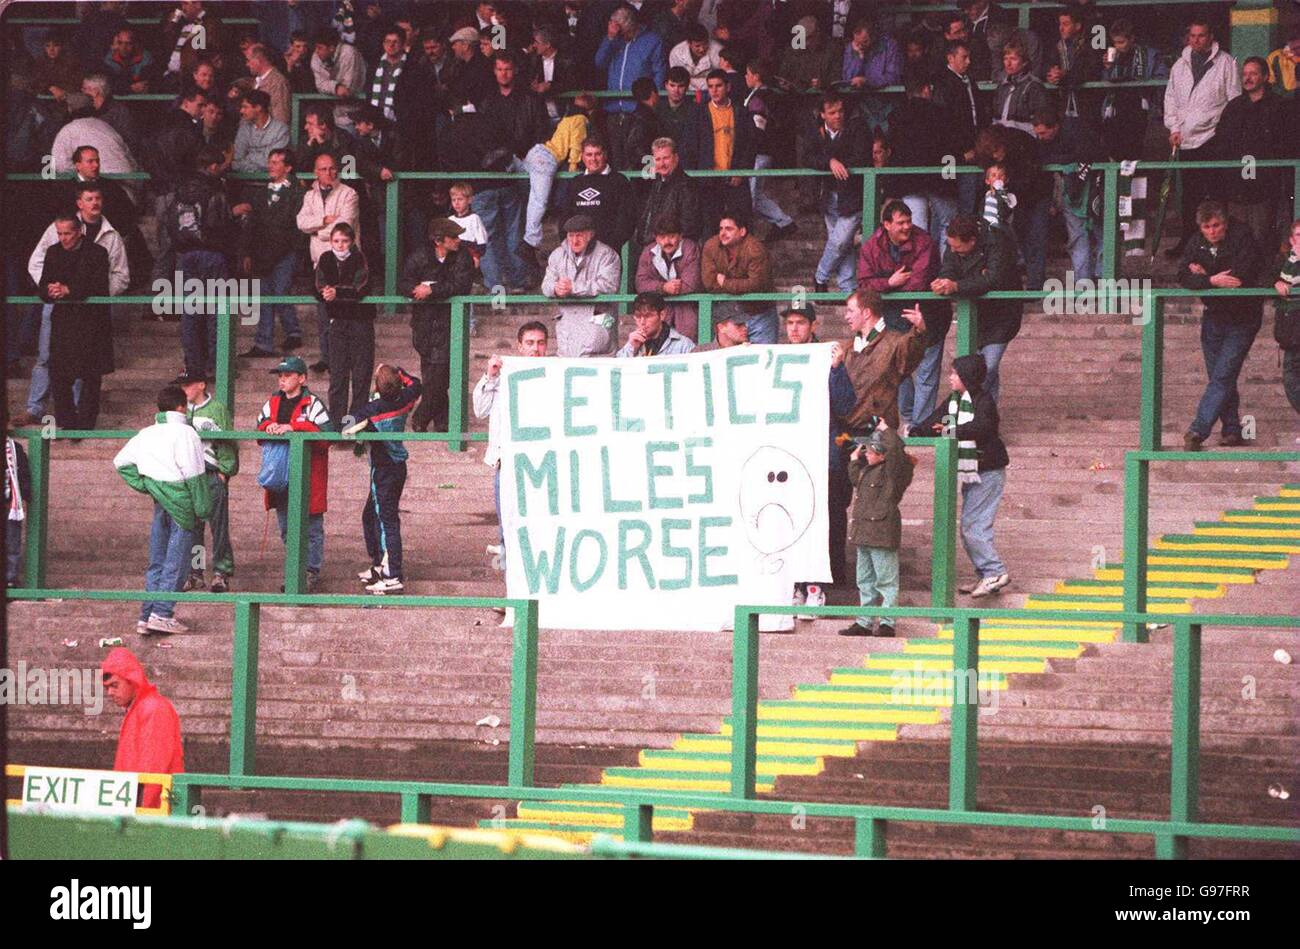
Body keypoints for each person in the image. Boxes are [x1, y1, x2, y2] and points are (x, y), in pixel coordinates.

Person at [113, 385, 213, 636]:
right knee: (176, 562)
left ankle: (146, 616)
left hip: (159, 501)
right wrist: (203, 509)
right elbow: (194, 475)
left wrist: (147, 485)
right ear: (181, 407)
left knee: (157, 562)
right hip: (183, 504)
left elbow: (121, 462)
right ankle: (163, 613)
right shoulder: (186, 433)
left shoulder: (146, 433)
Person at [918, 355, 1011, 598]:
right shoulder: (954, 401)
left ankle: (994, 572)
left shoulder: (983, 401)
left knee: (973, 526)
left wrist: (951, 430)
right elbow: (934, 422)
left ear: (967, 377)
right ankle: (984, 573)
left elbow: (983, 428)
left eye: (955, 374)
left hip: (987, 470)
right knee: (969, 526)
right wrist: (915, 430)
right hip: (972, 471)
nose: (950, 377)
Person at [475, 320, 549, 620]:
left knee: (543, 531)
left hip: (543, 467)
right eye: (530, 343)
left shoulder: (552, 374)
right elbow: (480, 410)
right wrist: (490, 375)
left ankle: (543, 595)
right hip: (508, 467)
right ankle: (513, 597)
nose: (535, 348)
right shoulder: (502, 377)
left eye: (541, 342)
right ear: (520, 346)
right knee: (509, 534)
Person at [782, 303, 856, 599]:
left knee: (828, 518)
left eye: (800, 322)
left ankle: (824, 582)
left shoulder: (828, 358)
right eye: (790, 323)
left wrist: (836, 370)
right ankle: (795, 583)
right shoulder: (778, 358)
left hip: (825, 457)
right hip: (790, 457)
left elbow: (845, 406)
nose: (795, 328)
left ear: (813, 326)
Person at [1178, 202, 1263, 450]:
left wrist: (1204, 276)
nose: (1212, 231)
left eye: (1216, 225)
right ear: (1201, 228)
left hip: (1243, 315)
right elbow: (1182, 274)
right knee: (1220, 375)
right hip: (1214, 315)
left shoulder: (1243, 237)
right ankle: (1232, 429)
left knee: (1223, 374)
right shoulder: (1196, 241)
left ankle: (1198, 429)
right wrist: (1213, 279)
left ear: (1225, 223)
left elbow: (1239, 276)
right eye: (1207, 227)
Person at [857, 201, 947, 432]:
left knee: (926, 371)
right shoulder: (871, 247)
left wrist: (885, 287)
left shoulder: (925, 242)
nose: (907, 226)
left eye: (909, 221)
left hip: (929, 316)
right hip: (894, 318)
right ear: (886, 224)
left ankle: (921, 426)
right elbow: (863, 285)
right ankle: (908, 418)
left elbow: (917, 281)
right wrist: (889, 282)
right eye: (901, 223)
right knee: (900, 369)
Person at [473, 50, 550, 294]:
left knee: (518, 226)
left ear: (515, 70)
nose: (504, 74)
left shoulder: (530, 98)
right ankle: (501, 279)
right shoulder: (487, 100)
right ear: (494, 71)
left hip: (525, 162)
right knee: (497, 228)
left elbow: (542, 133)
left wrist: (525, 155)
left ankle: (519, 278)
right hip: (497, 168)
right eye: (499, 69)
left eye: (507, 69)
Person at [1163, 16, 1240, 256]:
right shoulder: (1179, 65)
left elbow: (1234, 101)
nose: (1196, 40)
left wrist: (1223, 134)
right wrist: (1174, 128)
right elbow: (1171, 100)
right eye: (1193, 36)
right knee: (1190, 198)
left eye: (1201, 35)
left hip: (1214, 139)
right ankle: (1190, 244)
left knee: (1217, 196)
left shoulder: (1226, 63)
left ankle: (1220, 246)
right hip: (1186, 140)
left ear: (1211, 37)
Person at [256, 356, 331, 591]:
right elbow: (258, 428)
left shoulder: (314, 404)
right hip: (280, 480)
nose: (282, 380)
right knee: (287, 529)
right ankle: (295, 571)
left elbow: (326, 436)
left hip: (308, 479)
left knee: (311, 528)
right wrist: (268, 427)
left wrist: (294, 427)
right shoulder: (272, 403)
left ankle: (310, 572)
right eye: (280, 376)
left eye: (287, 376)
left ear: (302, 378)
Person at [931, 213, 1023, 404]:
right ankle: (988, 417)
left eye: (958, 248)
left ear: (972, 241)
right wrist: (943, 281)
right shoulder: (954, 248)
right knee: (985, 369)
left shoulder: (997, 242)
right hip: (975, 314)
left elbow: (994, 279)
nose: (953, 251)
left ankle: (973, 413)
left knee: (988, 367)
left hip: (1002, 315)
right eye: (951, 247)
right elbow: (949, 268)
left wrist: (957, 286)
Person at [346, 364, 421, 594]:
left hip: (383, 469)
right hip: (398, 466)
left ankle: (392, 575)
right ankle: (379, 564)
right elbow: (416, 384)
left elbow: (347, 424)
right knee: (370, 516)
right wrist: (399, 370)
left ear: (377, 386)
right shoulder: (405, 399)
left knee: (387, 520)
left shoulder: (372, 408)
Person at [36, 213, 113, 432]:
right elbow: (43, 284)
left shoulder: (97, 252)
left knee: (90, 376)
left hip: (91, 323)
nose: (63, 238)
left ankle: (87, 424)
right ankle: (66, 423)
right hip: (63, 323)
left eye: (67, 233)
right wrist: (50, 291)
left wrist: (69, 290)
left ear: (79, 231)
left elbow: (99, 285)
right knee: (59, 374)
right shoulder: (53, 252)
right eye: (59, 233)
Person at [401, 218, 475, 433]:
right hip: (424, 322)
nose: (458, 240)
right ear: (438, 241)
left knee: (440, 372)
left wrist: (432, 290)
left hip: (449, 321)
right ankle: (442, 421)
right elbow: (403, 282)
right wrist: (416, 289)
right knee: (431, 372)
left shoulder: (463, 257)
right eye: (453, 237)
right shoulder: (419, 256)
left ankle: (421, 416)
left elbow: (462, 284)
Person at [839, 425, 912, 637]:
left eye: (870, 451)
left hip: (881, 532)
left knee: (886, 581)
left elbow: (897, 451)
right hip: (864, 532)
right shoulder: (868, 470)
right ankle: (865, 621)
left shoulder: (894, 472)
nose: (866, 454)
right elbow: (856, 480)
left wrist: (887, 430)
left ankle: (887, 622)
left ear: (882, 454)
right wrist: (854, 459)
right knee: (865, 580)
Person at [1213, 58, 1286, 257]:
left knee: (1262, 235)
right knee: (1237, 236)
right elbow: (1222, 140)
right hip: (1236, 185)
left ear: (1265, 76)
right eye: (1245, 74)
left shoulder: (1279, 106)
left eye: (1253, 73)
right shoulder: (1234, 107)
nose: (1248, 78)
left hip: (1265, 185)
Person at [235, 147, 305, 358]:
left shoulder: (297, 192)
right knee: (265, 295)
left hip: (286, 251)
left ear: (288, 167)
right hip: (262, 253)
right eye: (270, 161)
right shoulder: (259, 192)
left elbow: (295, 224)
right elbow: (251, 225)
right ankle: (270, 340)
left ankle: (288, 333)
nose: (271, 166)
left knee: (280, 291)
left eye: (276, 162)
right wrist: (246, 252)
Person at [297, 152, 361, 372]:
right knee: (324, 316)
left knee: (344, 314)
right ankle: (327, 357)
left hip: (346, 263)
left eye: (332, 168)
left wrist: (318, 232)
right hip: (321, 265)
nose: (328, 173)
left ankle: (346, 358)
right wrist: (324, 221)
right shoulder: (310, 196)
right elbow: (301, 223)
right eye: (323, 169)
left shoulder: (349, 193)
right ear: (316, 171)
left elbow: (344, 226)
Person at [175, 372, 237, 594]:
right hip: (190, 476)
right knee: (194, 527)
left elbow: (229, 441)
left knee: (218, 525)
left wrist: (224, 471)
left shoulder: (216, 409)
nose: (184, 389)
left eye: (188, 385)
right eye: (182, 385)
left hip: (211, 473)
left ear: (201, 385)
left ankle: (221, 571)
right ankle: (196, 571)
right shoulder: (179, 410)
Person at [101, 647, 184, 809]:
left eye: (115, 685)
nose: (110, 692)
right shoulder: (142, 709)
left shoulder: (152, 709)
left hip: (152, 812)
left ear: (132, 680)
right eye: (107, 688)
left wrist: (140, 813)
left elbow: (153, 769)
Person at [804, 92, 870, 294]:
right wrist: (829, 162)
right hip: (828, 194)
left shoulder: (858, 126)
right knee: (845, 244)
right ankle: (848, 288)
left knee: (840, 241)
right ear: (822, 114)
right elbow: (807, 156)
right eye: (832, 112)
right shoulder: (815, 131)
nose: (837, 116)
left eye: (840, 111)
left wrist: (837, 161)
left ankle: (820, 276)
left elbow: (861, 156)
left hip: (852, 194)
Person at [1032, 107, 1105, 283]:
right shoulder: (1044, 141)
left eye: (1043, 133)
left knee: (1103, 236)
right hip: (1071, 193)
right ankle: (1083, 285)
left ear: (1055, 126)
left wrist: (1059, 160)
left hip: (1097, 188)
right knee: (1078, 239)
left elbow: (1088, 153)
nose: (1040, 138)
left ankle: (1102, 279)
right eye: (1038, 134)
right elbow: (1042, 158)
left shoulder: (1078, 130)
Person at [887, 74, 959, 248]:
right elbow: (949, 150)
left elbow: (893, 151)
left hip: (908, 179)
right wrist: (950, 180)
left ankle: (920, 272)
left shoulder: (895, 116)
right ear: (926, 89)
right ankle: (943, 272)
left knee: (916, 229)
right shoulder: (941, 113)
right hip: (938, 179)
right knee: (947, 224)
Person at [523, 94, 596, 256]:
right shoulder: (580, 119)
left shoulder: (567, 117)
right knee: (539, 201)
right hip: (548, 158)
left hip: (536, 152)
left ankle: (510, 162)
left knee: (532, 196)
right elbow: (577, 143)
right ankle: (530, 242)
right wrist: (574, 166)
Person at [315, 223, 372, 427]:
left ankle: (354, 425)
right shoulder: (325, 258)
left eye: (345, 241)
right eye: (336, 241)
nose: (340, 245)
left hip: (360, 322)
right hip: (337, 322)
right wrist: (327, 293)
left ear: (352, 241)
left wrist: (337, 293)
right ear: (330, 241)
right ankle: (338, 426)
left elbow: (361, 287)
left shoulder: (360, 258)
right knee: (337, 376)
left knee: (360, 376)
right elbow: (318, 285)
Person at [542, 214, 622, 357]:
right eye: (571, 235)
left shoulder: (608, 254)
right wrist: (556, 288)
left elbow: (609, 285)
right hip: (568, 324)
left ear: (590, 235)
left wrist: (574, 288)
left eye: (579, 235)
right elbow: (546, 285)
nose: (574, 240)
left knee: (598, 363)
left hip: (600, 320)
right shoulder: (557, 255)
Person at [595, 4, 667, 157]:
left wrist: (651, 102)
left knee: (637, 156)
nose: (621, 35)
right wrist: (609, 38)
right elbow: (599, 62)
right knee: (616, 157)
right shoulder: (614, 39)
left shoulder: (652, 40)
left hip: (638, 110)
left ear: (631, 26)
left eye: (623, 31)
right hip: (613, 108)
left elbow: (659, 71)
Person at [687, 69, 754, 230]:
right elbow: (690, 146)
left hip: (735, 179)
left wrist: (741, 171)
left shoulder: (741, 112)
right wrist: (696, 177)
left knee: (741, 227)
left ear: (728, 87)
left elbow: (749, 145)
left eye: (718, 86)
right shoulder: (698, 113)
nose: (714, 90)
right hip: (708, 180)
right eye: (710, 87)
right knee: (710, 228)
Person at [931, 38, 989, 216]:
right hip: (951, 156)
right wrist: (960, 154)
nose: (968, 62)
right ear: (950, 58)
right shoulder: (943, 84)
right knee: (950, 204)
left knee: (969, 200)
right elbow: (943, 125)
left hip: (972, 152)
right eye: (964, 57)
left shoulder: (969, 81)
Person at [701, 210, 777, 344]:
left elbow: (756, 285)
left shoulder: (755, 249)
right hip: (728, 317)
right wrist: (741, 285)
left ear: (742, 231)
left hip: (758, 313)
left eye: (729, 229)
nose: (723, 233)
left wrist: (725, 283)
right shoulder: (711, 246)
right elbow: (709, 283)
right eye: (721, 229)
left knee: (762, 360)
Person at [742, 58, 797, 243]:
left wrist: (749, 151)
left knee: (750, 196)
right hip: (763, 152)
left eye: (748, 73)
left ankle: (781, 223)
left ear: (756, 76)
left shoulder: (759, 98)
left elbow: (758, 130)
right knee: (755, 194)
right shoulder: (765, 95)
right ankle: (784, 222)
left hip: (758, 153)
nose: (745, 77)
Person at [1100, 19, 1169, 161]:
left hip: (1142, 111)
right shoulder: (1114, 57)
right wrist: (1107, 68)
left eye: (1121, 42)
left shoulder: (1150, 55)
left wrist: (1145, 86)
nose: (1118, 47)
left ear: (1132, 39)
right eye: (1115, 43)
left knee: (1139, 155)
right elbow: (1105, 83)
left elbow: (1162, 80)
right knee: (1117, 154)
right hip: (1117, 111)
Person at [563, 137, 637, 256]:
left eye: (598, 154)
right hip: (577, 252)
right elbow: (564, 216)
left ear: (605, 155)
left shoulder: (619, 181)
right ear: (582, 156)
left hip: (608, 252)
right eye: (589, 154)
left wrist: (613, 244)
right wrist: (571, 245)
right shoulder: (575, 183)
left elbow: (627, 219)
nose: (593, 159)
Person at [635, 212, 702, 341]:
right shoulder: (648, 252)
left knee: (687, 341)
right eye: (662, 237)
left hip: (687, 308)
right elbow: (640, 283)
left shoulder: (690, 248)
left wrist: (666, 288)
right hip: (657, 308)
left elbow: (691, 284)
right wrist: (663, 287)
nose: (667, 241)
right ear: (655, 238)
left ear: (680, 236)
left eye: (672, 236)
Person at [635, 137, 703, 248]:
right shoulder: (654, 184)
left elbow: (689, 226)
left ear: (676, 158)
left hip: (675, 247)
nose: (662, 164)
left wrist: (663, 240)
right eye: (658, 159)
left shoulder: (687, 186)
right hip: (653, 245)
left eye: (666, 158)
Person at [1044, 5, 1101, 121]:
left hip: (1087, 104)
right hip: (1062, 104)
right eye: (1060, 24)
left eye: (1066, 24)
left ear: (1077, 26)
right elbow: (1047, 65)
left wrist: (1065, 75)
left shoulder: (1090, 46)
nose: (1061, 28)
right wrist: (1051, 74)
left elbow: (1091, 71)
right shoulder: (1057, 46)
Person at [310, 26, 367, 129]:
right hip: (333, 113)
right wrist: (335, 87)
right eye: (315, 47)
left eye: (320, 48)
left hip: (356, 114)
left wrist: (337, 88)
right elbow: (320, 84)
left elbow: (347, 89)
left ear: (331, 48)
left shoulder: (349, 52)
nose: (316, 51)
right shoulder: (316, 56)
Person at [991, 37, 1049, 135]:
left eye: (1013, 59)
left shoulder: (1033, 86)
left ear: (1024, 62)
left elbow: (1040, 121)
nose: (1008, 63)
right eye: (1005, 59)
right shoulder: (1002, 86)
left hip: (1024, 139)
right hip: (1002, 140)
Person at [231, 89, 290, 176]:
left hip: (271, 182)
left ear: (258, 107)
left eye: (245, 107)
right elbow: (236, 160)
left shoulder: (280, 129)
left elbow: (274, 163)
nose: (241, 111)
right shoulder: (243, 128)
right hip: (245, 182)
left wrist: (249, 157)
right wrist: (260, 162)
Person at [618, 292, 695, 357]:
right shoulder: (633, 342)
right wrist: (632, 348)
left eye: (648, 316)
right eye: (638, 316)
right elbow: (616, 370)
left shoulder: (683, 345)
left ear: (662, 315)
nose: (642, 322)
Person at [1275, 220, 1300, 416]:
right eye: (1299, 235)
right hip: (1291, 332)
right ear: (1292, 240)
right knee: (1292, 381)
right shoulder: (1286, 262)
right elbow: (1266, 274)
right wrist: (1276, 282)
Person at [5, 427, 31, 586]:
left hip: (9, 504)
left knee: (12, 542)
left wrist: (25, 497)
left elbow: (24, 475)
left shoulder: (15, 448)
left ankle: (10, 579)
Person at [655, 66, 698, 152]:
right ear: (666, 85)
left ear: (687, 87)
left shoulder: (696, 111)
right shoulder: (656, 110)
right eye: (672, 85)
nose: (676, 90)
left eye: (680, 86)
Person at [669, 23, 723, 91]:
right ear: (689, 43)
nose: (702, 49)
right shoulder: (676, 53)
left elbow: (723, 77)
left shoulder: (718, 50)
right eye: (697, 46)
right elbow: (676, 79)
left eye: (705, 44)